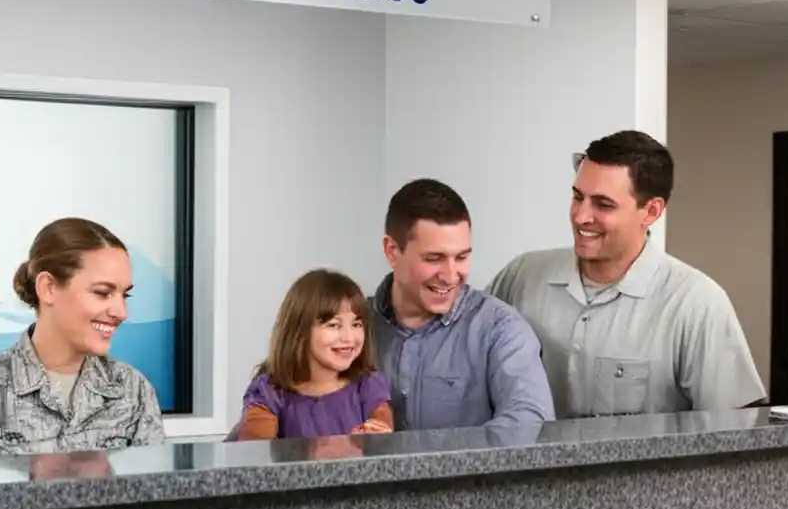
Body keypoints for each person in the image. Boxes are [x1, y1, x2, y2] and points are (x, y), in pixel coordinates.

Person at [487, 130, 766, 418]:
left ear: (652, 211)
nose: (581, 216)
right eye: (578, 197)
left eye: (603, 204)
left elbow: (739, 429)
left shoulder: (696, 304)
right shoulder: (521, 276)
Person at [0, 217, 166, 459]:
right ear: (48, 288)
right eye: (102, 293)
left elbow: (157, 485)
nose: (121, 312)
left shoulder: (133, 389)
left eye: (124, 295)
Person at [370, 178, 554, 430]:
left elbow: (530, 424)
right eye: (434, 258)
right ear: (392, 251)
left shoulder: (501, 330)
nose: (450, 276)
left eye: (461, 257)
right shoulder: (350, 329)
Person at [230, 269, 393, 441]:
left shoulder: (368, 384)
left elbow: (382, 424)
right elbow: (256, 446)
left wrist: (373, 435)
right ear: (300, 331)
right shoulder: (269, 390)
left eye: (356, 324)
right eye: (333, 325)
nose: (349, 338)